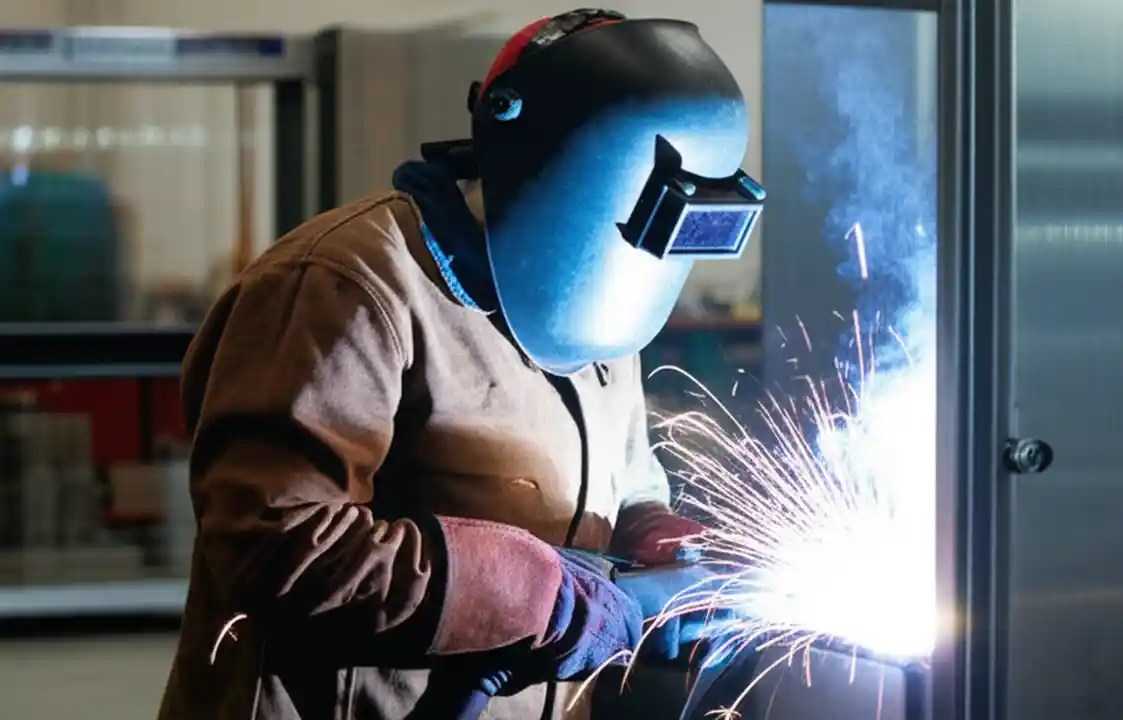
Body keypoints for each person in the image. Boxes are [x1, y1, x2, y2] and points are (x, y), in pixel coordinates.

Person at [158, 8, 764, 720]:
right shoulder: (346, 287)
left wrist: (658, 545)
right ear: (572, 174)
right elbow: (272, 541)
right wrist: (541, 596)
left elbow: (624, 488)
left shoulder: (607, 313)